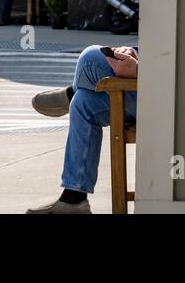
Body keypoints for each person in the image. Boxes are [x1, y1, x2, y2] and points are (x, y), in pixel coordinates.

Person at [27, 45, 138, 214]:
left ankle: (72, 91)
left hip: (170, 95)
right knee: (82, 101)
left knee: (90, 58)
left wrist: (138, 69)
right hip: (154, 88)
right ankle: (74, 200)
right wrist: (131, 52)